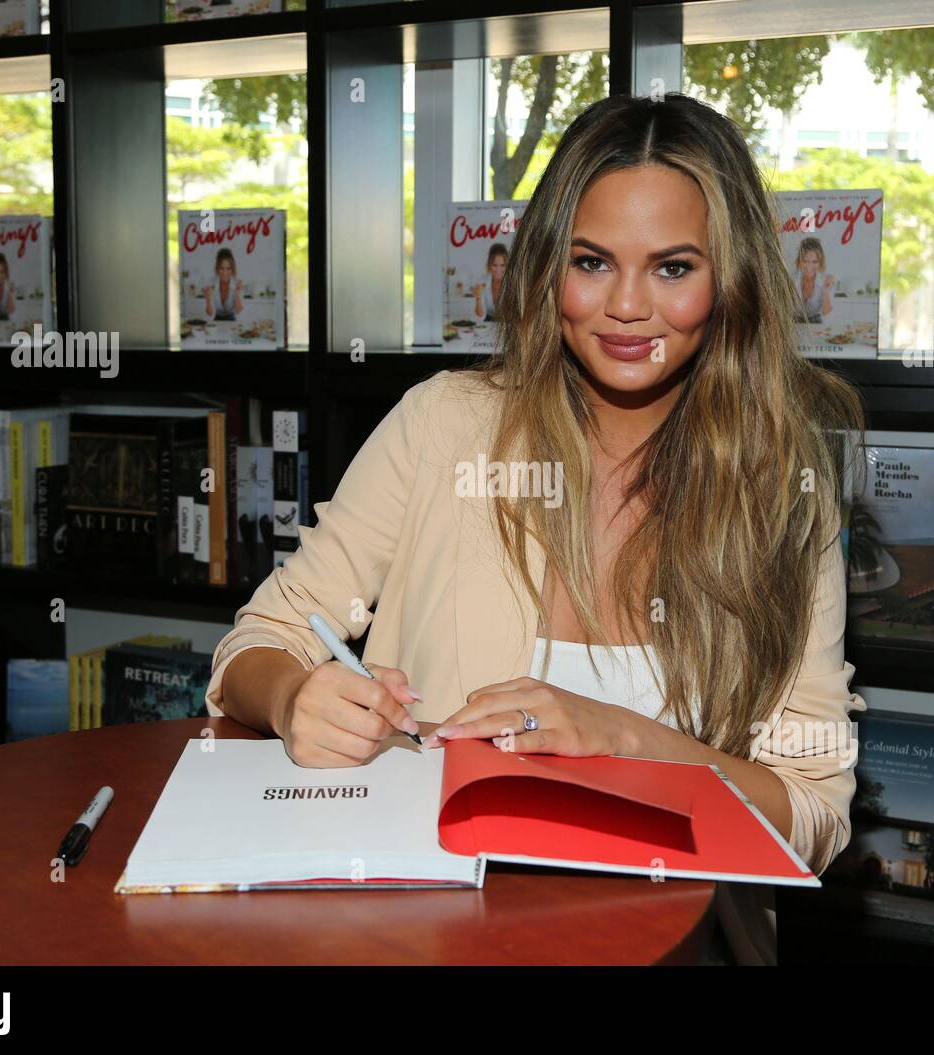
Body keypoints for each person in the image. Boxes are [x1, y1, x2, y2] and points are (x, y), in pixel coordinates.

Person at [208, 92, 866, 965]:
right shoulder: (441, 426)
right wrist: (294, 699)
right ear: (548, 266)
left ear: (732, 281)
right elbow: (257, 643)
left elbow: (814, 812)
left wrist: (631, 739)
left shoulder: (784, 491)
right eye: (592, 261)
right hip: (431, 933)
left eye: (673, 268)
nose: (627, 306)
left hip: (675, 942)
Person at [793, 237, 835, 323]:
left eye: (814, 262)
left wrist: (825, 292)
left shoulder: (826, 280)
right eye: (805, 261)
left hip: (816, 322)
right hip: (794, 322)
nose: (809, 266)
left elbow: (826, 312)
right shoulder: (791, 278)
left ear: (820, 263)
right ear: (800, 261)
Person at [472, 242, 509, 323]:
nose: (498, 270)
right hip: (488, 322)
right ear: (489, 265)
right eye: (495, 265)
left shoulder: (512, 283)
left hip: (507, 322)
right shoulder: (482, 281)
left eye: (502, 265)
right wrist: (478, 298)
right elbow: (480, 315)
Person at [204, 248, 243, 321]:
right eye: (222, 268)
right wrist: (208, 298)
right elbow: (210, 313)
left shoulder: (237, 283)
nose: (225, 273)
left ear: (232, 269)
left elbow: (238, 311)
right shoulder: (211, 283)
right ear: (217, 268)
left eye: (228, 269)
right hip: (216, 319)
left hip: (232, 320)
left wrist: (237, 295)